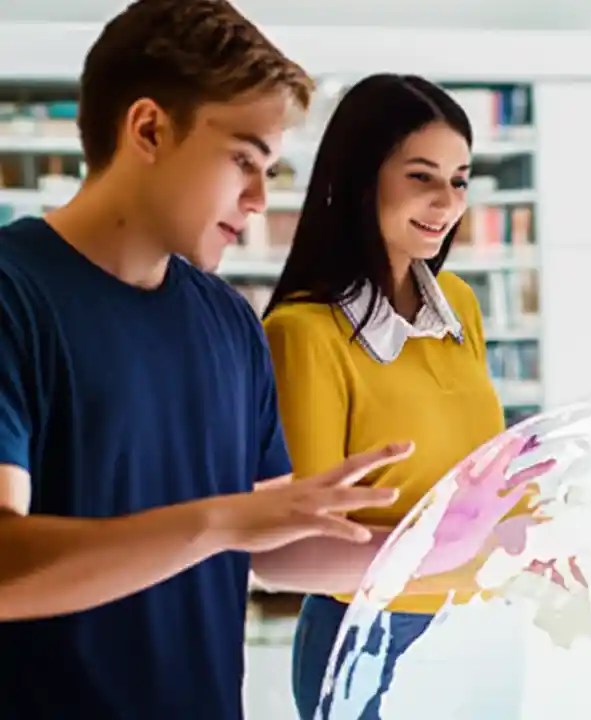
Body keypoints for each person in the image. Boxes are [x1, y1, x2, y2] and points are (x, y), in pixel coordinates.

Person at [0, 1, 413, 719]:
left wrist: (482, 548)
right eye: (243, 161)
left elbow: (272, 552)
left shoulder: (229, 322)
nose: (257, 200)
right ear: (150, 129)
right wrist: (224, 522)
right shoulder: (13, 297)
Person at [251, 74, 540, 719]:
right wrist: (471, 549)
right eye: (421, 176)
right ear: (360, 179)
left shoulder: (460, 306)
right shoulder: (303, 333)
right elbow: (300, 551)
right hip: (370, 643)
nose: (446, 201)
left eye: (460, 180)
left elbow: (463, 474)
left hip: (476, 629)